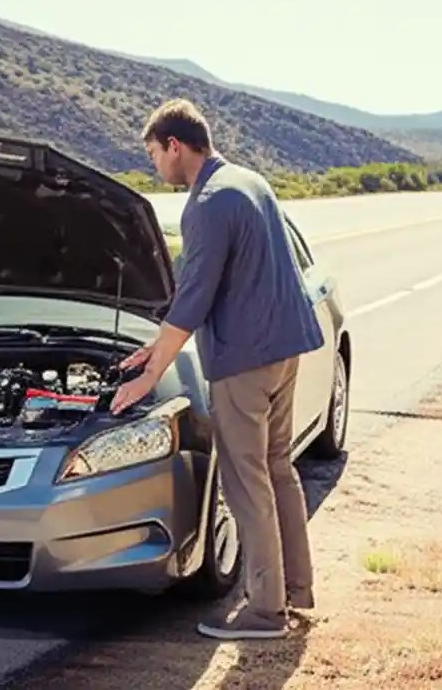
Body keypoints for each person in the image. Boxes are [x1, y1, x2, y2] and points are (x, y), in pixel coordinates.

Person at [111, 98, 324, 640]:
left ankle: (264, 612)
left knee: (246, 482)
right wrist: (153, 348)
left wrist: (147, 376)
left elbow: (192, 300)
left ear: (175, 146)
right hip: (285, 350)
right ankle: (295, 590)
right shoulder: (249, 181)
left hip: (245, 361)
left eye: (155, 154)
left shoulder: (205, 203)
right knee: (278, 470)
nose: (156, 165)